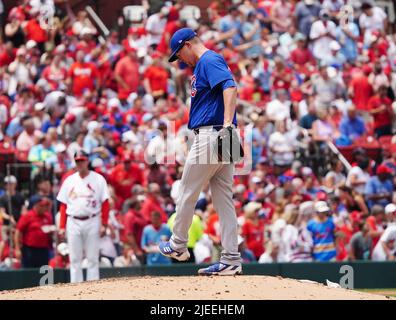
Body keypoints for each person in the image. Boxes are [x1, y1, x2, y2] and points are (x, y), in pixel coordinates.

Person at [158, 28, 243, 275]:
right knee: (223, 199)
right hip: (219, 136)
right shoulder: (202, 65)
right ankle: (230, 259)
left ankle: (178, 244)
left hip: (212, 134)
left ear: (186, 45)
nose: (180, 59)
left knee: (186, 190)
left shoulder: (208, 59)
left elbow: (230, 87)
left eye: (178, 54)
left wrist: (227, 124)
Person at [56, 150, 110, 283]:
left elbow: (105, 203)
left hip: (92, 219)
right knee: (75, 258)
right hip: (73, 221)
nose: (80, 163)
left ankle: (92, 289)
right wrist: (62, 226)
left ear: (87, 161)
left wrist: (104, 223)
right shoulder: (69, 180)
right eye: (77, 161)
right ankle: (76, 289)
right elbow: (63, 205)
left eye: (82, 160)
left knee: (92, 258)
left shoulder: (98, 179)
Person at [14, 195, 54, 268]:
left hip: (43, 249)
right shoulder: (27, 216)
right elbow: (18, 232)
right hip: (29, 250)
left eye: (45, 205)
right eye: (41, 205)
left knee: (44, 271)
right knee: (29, 272)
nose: (44, 207)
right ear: (35, 206)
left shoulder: (47, 216)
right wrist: (17, 249)